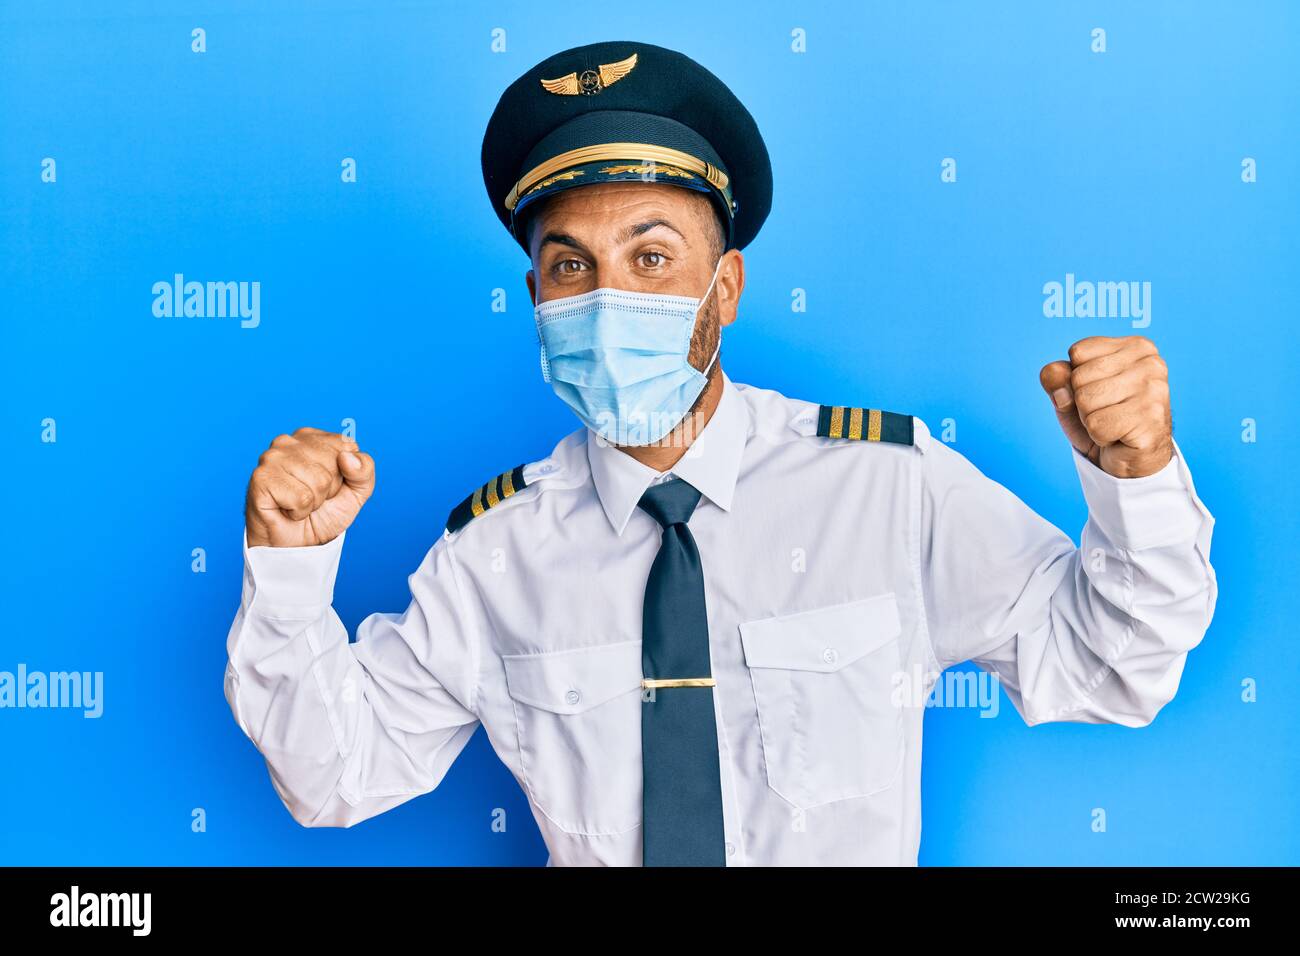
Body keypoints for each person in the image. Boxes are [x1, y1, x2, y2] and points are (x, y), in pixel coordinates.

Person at [223, 40, 1217, 866]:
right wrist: (290, 576)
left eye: (651, 256)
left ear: (725, 288)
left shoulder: (887, 484)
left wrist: (1134, 476)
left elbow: (1112, 666)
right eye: (570, 264)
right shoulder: (494, 551)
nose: (606, 298)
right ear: (536, 300)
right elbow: (333, 775)